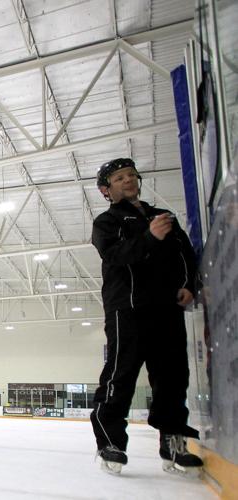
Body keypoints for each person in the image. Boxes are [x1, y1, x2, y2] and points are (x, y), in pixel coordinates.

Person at [89, 158, 203, 475]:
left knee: (173, 378)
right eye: (119, 178)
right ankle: (111, 442)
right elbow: (114, 256)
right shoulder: (107, 222)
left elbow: (187, 256)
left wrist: (189, 285)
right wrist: (150, 237)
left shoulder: (163, 218)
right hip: (127, 309)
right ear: (106, 190)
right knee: (120, 376)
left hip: (166, 309)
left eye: (131, 175)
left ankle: (174, 443)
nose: (128, 180)